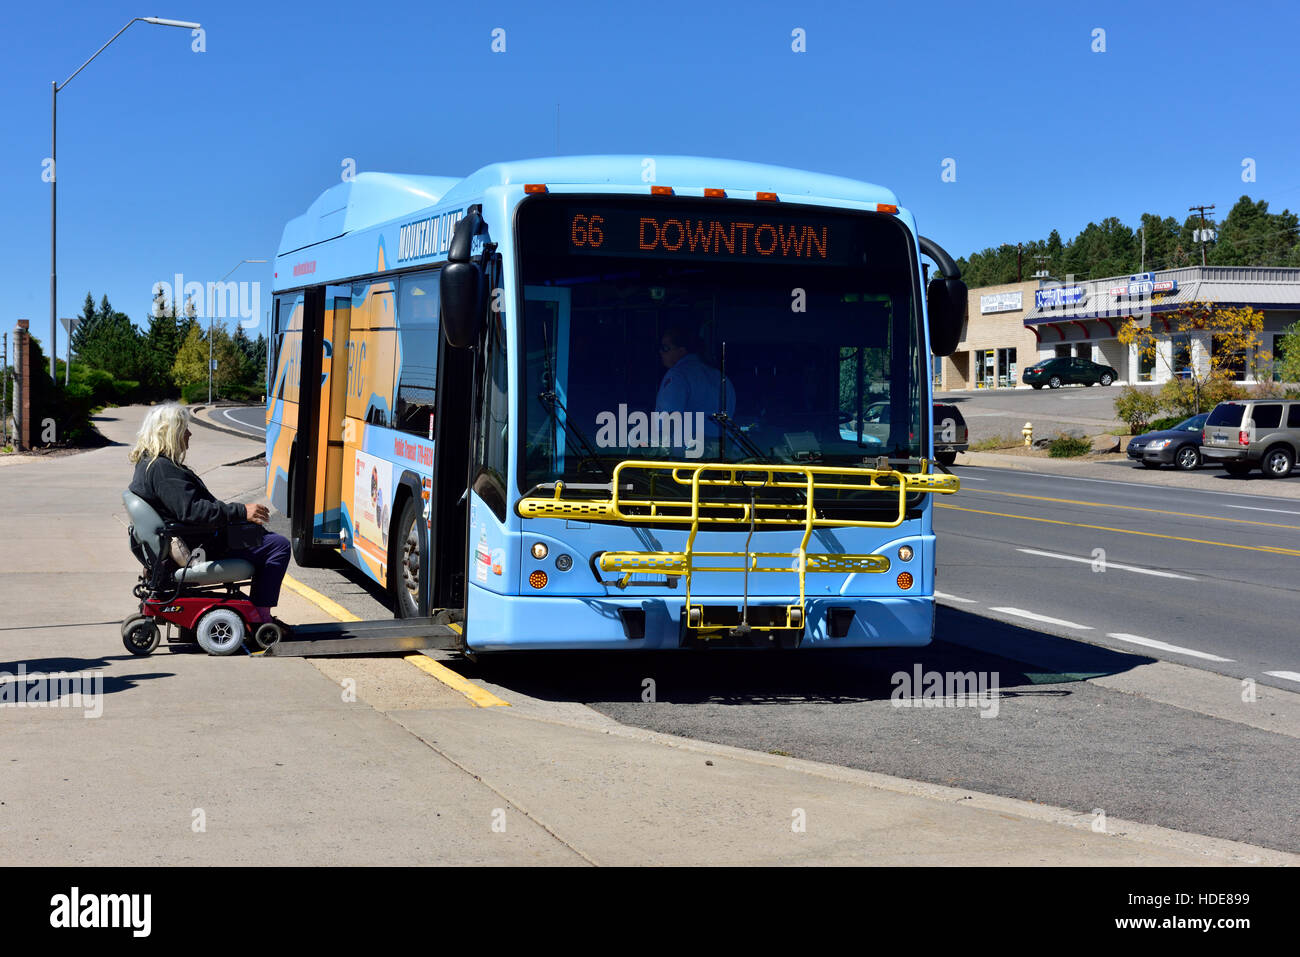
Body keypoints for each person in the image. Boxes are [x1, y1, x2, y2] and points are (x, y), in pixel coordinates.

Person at [128, 403, 290, 624]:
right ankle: (261, 618)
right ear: (170, 432)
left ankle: (258, 612)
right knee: (277, 545)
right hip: (202, 547)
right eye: (184, 428)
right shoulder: (164, 470)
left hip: (195, 540)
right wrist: (241, 511)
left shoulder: (149, 464)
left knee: (258, 535)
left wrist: (238, 516)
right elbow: (195, 512)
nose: (189, 433)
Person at [655, 325, 736, 452]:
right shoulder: (721, 377)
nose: (660, 352)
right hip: (720, 459)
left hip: (685, 461)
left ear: (682, 350)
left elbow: (669, 418)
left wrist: (657, 450)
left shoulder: (677, 375)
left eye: (665, 348)